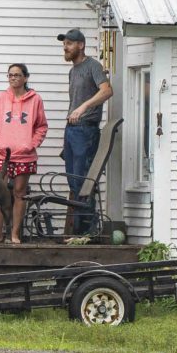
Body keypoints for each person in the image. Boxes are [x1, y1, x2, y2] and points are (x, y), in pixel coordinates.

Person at [56, 29, 113, 237]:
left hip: (85, 129)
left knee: (84, 182)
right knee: (73, 180)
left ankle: (87, 232)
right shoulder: (73, 70)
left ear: (81, 45)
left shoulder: (93, 66)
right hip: (71, 130)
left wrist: (83, 108)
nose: (65, 47)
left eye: (69, 43)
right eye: (64, 44)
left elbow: (107, 90)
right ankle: (78, 232)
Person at [0, 64, 47, 244]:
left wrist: (32, 144)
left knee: (19, 193)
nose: (13, 78)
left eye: (18, 75)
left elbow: (41, 126)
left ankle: (14, 234)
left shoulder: (35, 100)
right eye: (10, 75)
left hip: (25, 155)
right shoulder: (0, 98)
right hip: (2, 154)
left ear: (26, 78)